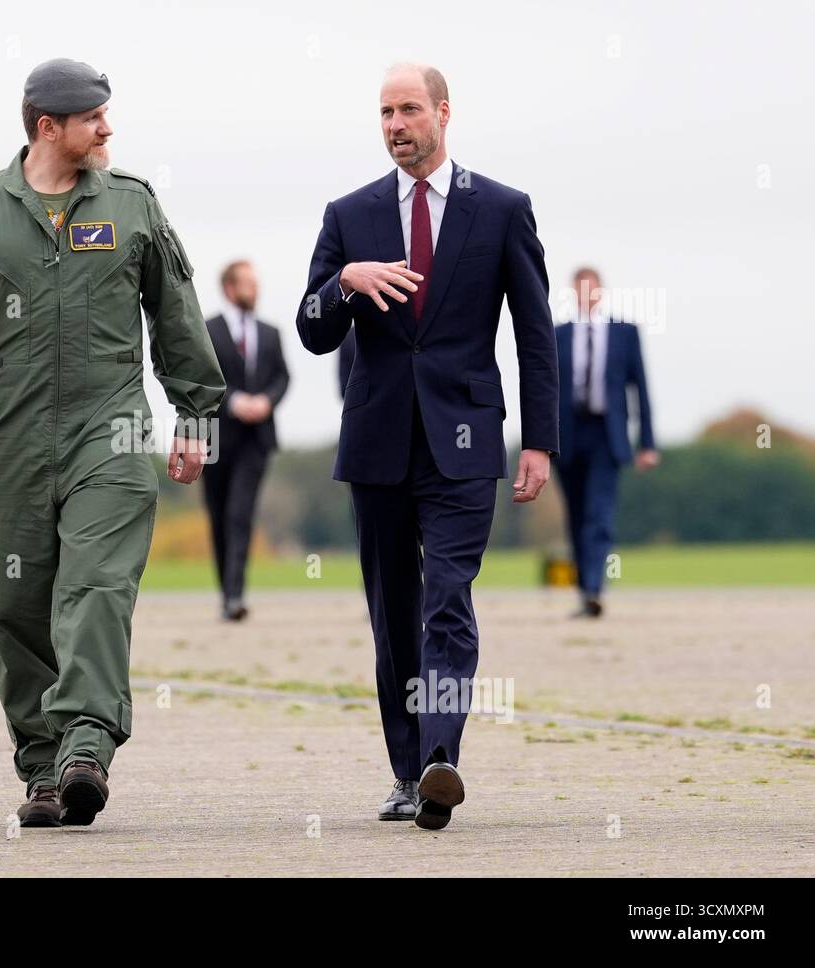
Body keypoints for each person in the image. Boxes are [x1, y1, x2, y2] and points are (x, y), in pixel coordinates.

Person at [0, 58, 225, 828]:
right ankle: (43, 770)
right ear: (49, 127)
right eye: (93, 118)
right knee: (11, 607)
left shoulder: (134, 207)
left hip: (110, 431)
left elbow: (178, 317)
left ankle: (85, 744)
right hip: (7, 440)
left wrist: (196, 416)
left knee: (94, 589)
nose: (108, 128)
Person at [295, 63, 559, 830]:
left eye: (409, 109)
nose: (395, 124)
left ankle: (442, 757)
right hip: (378, 441)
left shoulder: (503, 209)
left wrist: (539, 440)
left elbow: (535, 335)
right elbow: (313, 331)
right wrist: (345, 280)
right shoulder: (349, 215)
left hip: (467, 440)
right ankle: (408, 772)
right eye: (384, 112)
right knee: (393, 612)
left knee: (447, 598)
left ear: (444, 113)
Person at [555, 267, 658, 618]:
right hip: (567, 435)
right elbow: (543, 389)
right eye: (580, 290)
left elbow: (640, 387)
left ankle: (596, 588)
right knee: (576, 515)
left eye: (591, 289)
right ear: (574, 293)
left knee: (599, 514)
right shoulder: (558, 336)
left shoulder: (625, 334)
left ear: (601, 292)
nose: (586, 295)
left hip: (607, 435)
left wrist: (647, 443)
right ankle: (585, 590)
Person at [202, 261, 290, 620]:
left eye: (256, 283)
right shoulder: (207, 330)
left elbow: (283, 376)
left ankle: (235, 596)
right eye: (248, 284)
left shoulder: (270, 333)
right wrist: (235, 401)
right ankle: (226, 591)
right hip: (216, 439)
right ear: (229, 288)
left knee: (240, 514)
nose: (255, 289)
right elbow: (201, 377)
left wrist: (267, 401)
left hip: (256, 440)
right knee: (219, 515)